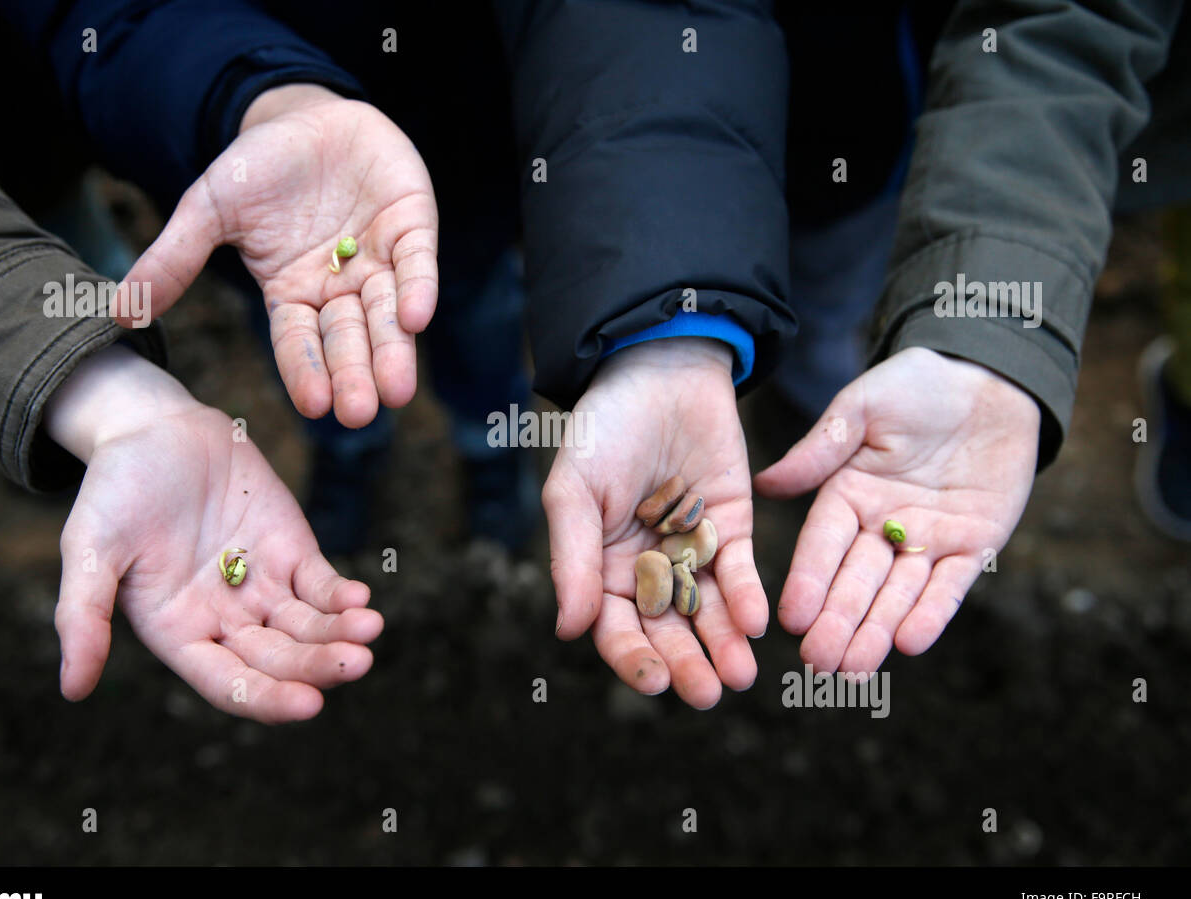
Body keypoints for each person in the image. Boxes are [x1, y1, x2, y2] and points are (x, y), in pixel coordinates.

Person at [496, 0, 1188, 706]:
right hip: (774, 146)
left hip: (868, 134)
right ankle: (796, 410)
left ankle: (804, 406)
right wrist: (662, 341)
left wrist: (987, 341)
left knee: (829, 312)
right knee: (827, 308)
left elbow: (1064, 28)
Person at [0, 93, 381, 723]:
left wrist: (111, 391)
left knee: (94, 254)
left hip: (29, 141)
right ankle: (40, 420)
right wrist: (115, 406)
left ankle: (89, 378)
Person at [0, 0, 539, 554]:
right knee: (304, 341)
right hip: (260, 186)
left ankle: (491, 451)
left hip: (462, 134)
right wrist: (253, 94)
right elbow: (91, 18)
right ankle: (349, 453)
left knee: (480, 317)